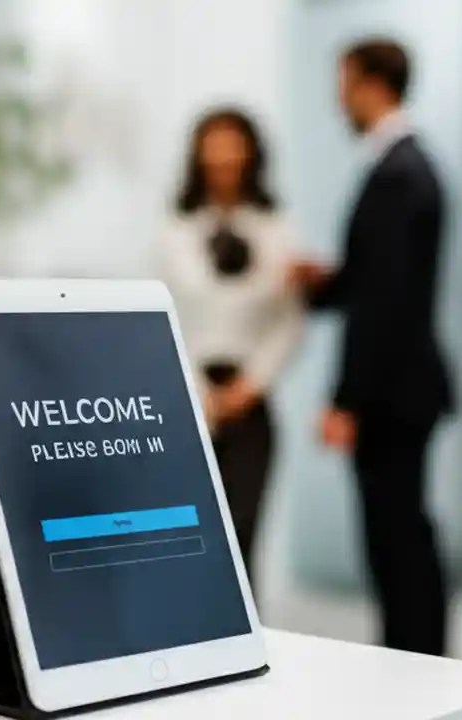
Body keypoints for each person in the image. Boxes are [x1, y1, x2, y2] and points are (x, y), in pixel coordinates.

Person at [292, 38, 454, 655]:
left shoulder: (397, 174)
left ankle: (417, 667)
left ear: (370, 83)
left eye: (344, 82)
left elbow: (384, 307)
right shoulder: (406, 167)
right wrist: (322, 285)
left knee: (397, 542)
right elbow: (374, 282)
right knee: (403, 535)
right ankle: (420, 659)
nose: (338, 99)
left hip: (392, 392)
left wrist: (344, 401)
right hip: (406, 386)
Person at [159, 108, 304, 587]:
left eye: (233, 147)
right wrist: (200, 392)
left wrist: (250, 386)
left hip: (249, 400)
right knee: (186, 539)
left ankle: (243, 651)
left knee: (240, 541)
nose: (223, 159)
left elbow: (287, 321)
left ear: (251, 155)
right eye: (213, 148)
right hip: (187, 397)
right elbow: (161, 313)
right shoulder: (176, 232)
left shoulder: (276, 229)